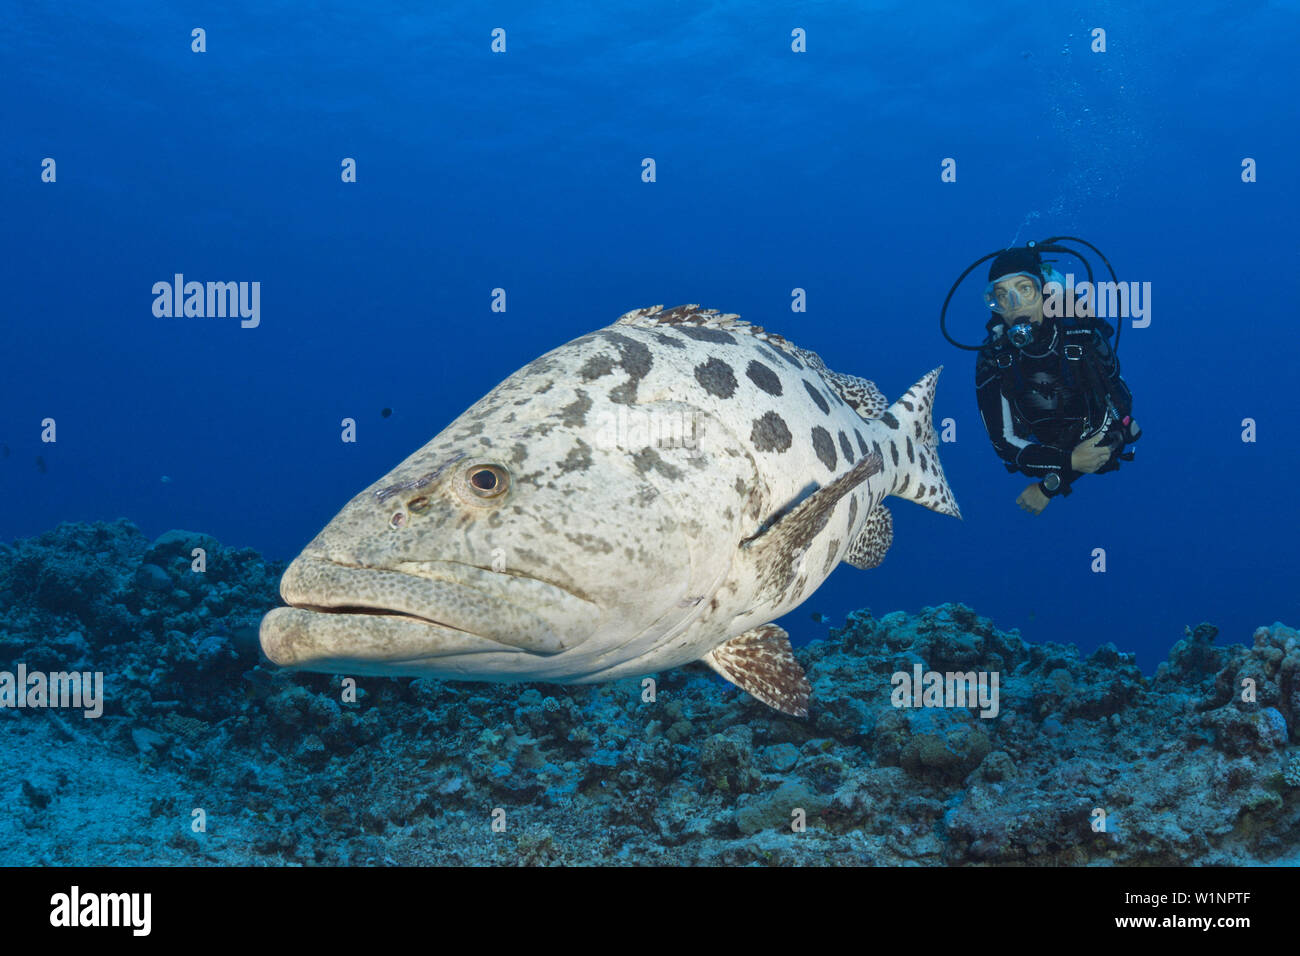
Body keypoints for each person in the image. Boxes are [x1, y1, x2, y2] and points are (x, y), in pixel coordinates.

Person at [975, 247, 1141, 514]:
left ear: (1044, 292)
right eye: (1003, 296)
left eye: (1025, 289)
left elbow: (1122, 408)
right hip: (1044, 448)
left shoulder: (1080, 334)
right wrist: (1071, 461)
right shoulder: (994, 356)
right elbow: (1002, 443)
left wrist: (1051, 485)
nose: (1015, 304)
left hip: (1091, 436)